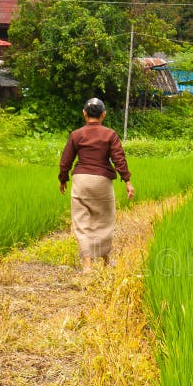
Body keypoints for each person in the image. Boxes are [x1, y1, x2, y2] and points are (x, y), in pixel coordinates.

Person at [59, 98, 135, 273]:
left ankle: (87, 264)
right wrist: (127, 181)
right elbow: (119, 159)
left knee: (81, 221)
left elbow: (66, 160)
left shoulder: (76, 135)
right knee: (105, 219)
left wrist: (63, 179)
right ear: (104, 115)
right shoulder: (110, 134)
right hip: (102, 180)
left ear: (84, 114)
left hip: (81, 179)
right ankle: (106, 260)